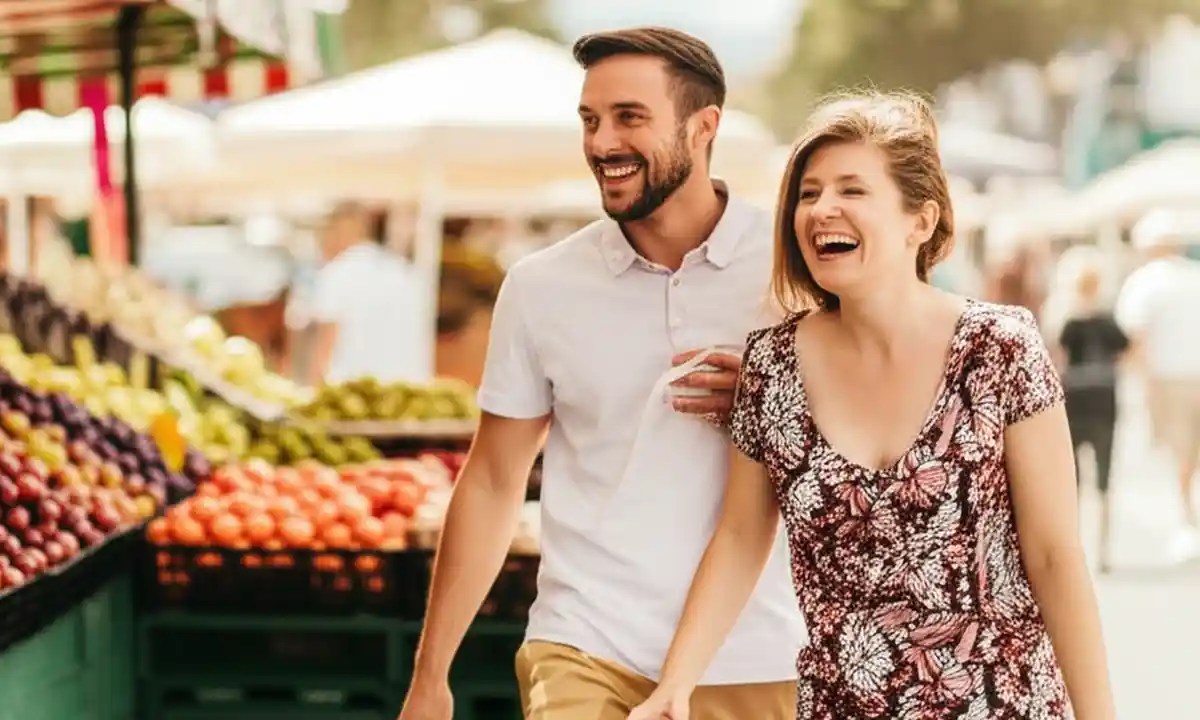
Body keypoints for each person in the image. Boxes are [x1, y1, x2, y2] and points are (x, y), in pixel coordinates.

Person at [629, 91, 1114, 720]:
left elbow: (1054, 555)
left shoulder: (1000, 347)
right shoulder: (771, 367)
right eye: (808, 193)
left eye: (852, 191)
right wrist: (676, 683)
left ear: (921, 220)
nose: (821, 208)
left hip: (1003, 703)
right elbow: (743, 535)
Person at [398, 27, 804, 720]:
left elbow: (880, 427)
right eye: (589, 120)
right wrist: (430, 675)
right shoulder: (540, 287)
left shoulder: (793, 270)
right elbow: (495, 477)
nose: (601, 143)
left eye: (629, 118)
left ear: (705, 127)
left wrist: (784, 398)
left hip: (760, 652)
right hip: (587, 643)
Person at [1114, 210, 1200, 557]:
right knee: (1191, 447)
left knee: (1178, 447)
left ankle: (1185, 517)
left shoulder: (1143, 282)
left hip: (1167, 376)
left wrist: (1138, 380)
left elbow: (1135, 338)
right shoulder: (1194, 277)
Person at [1049, 248, 1129, 573]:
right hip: (1104, 400)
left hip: (1073, 402)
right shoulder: (1108, 320)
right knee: (1104, 476)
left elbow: (1057, 359)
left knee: (1074, 480)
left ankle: (1078, 546)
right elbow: (1125, 351)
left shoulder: (1066, 319)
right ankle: (1103, 550)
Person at [308, 202, 428, 384]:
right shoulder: (404, 272)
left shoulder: (336, 274)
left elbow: (326, 345)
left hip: (352, 392)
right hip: (406, 391)